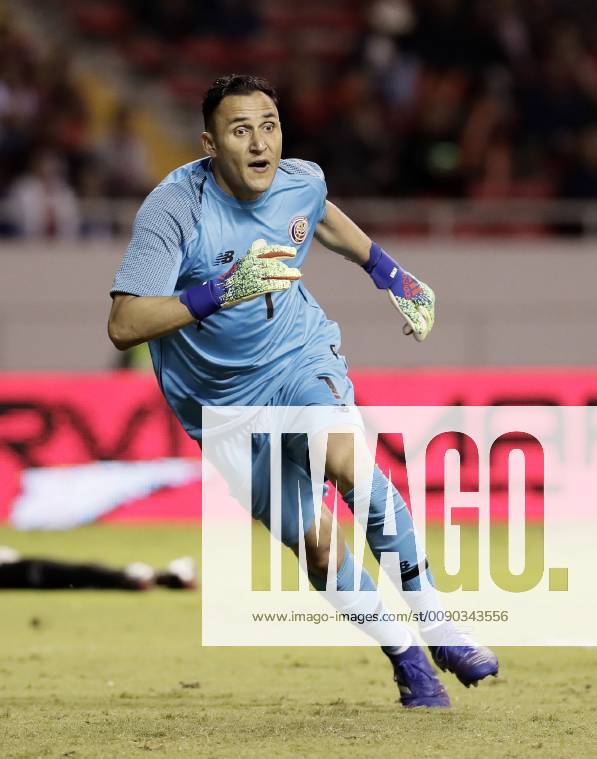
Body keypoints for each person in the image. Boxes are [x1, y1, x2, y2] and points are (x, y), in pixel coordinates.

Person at [108, 74, 498, 708]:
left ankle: (441, 629)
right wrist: (220, 292)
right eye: (241, 131)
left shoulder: (300, 179)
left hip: (297, 358)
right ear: (210, 145)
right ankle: (406, 658)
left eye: (270, 125)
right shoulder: (173, 210)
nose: (261, 143)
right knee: (317, 545)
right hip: (222, 409)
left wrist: (392, 275)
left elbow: (322, 218)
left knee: (352, 467)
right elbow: (125, 324)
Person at [0, 546, 197, 590]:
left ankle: (161, 578)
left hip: (19, 572)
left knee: (84, 577)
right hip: (21, 571)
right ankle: (146, 578)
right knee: (84, 574)